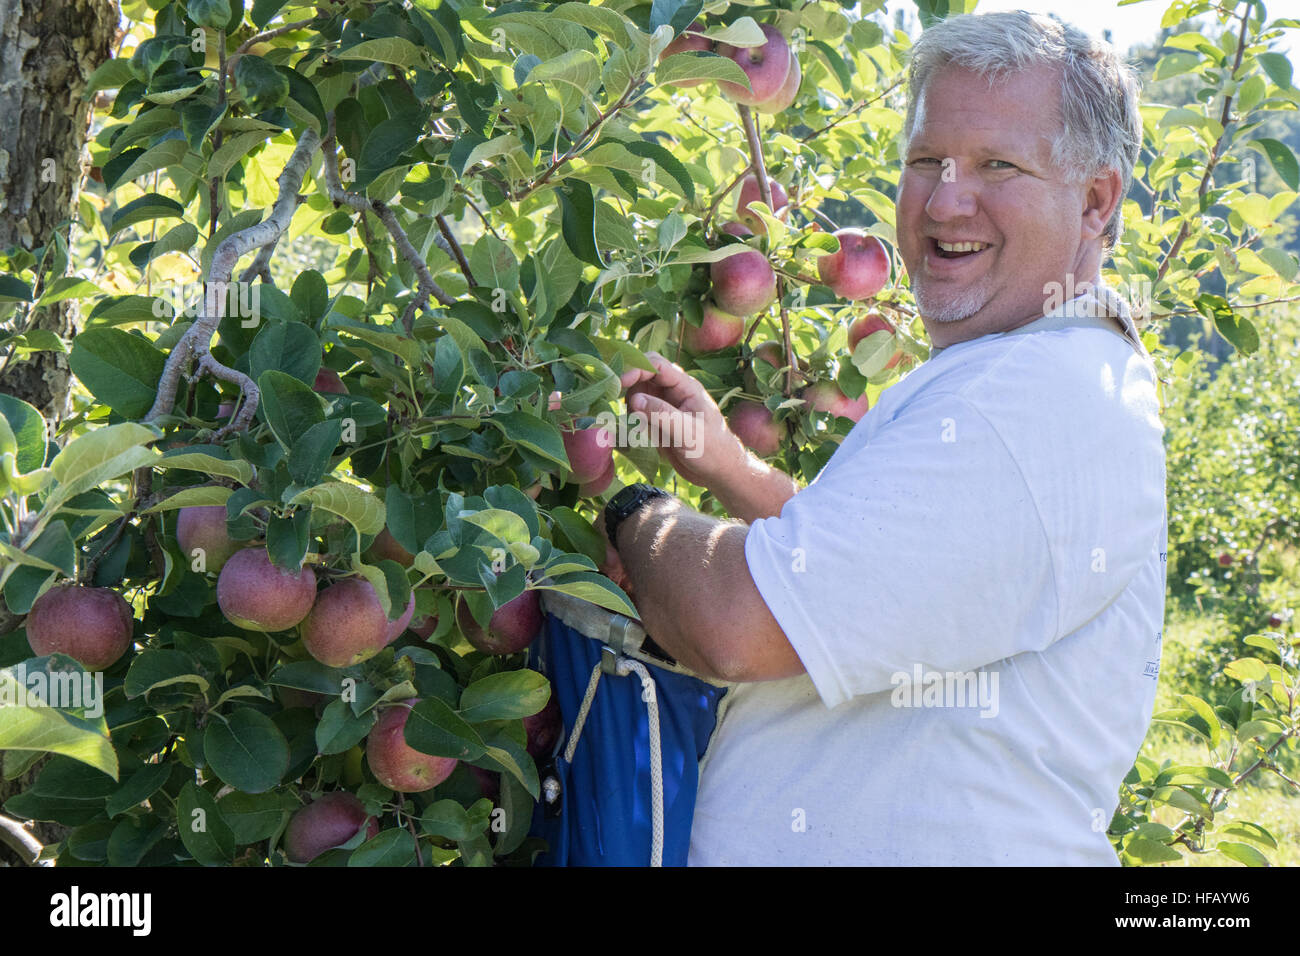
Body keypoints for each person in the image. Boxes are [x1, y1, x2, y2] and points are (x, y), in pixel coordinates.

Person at [596, 11, 1167, 865]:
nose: (943, 200)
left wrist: (628, 511)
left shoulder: (1032, 402)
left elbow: (738, 625)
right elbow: (880, 568)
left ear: (1096, 200)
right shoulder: (1035, 378)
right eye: (925, 161)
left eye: (996, 165)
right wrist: (728, 467)